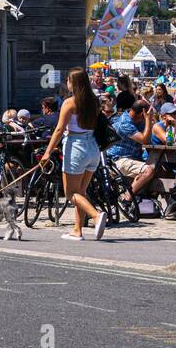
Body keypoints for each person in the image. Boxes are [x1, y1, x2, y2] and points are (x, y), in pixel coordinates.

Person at [41, 67, 107, 241]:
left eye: (68, 81)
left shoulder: (70, 102)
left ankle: (96, 215)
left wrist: (47, 152)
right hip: (93, 147)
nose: (67, 84)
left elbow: (59, 129)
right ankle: (77, 230)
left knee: (71, 193)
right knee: (81, 192)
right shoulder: (94, 100)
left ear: (73, 82)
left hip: (76, 146)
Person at [106, 100, 157, 203]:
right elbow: (144, 140)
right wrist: (148, 120)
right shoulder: (125, 123)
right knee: (149, 171)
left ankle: (152, 204)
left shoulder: (139, 121)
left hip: (135, 158)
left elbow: (149, 141)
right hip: (119, 160)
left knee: (164, 170)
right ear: (143, 113)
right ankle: (127, 199)